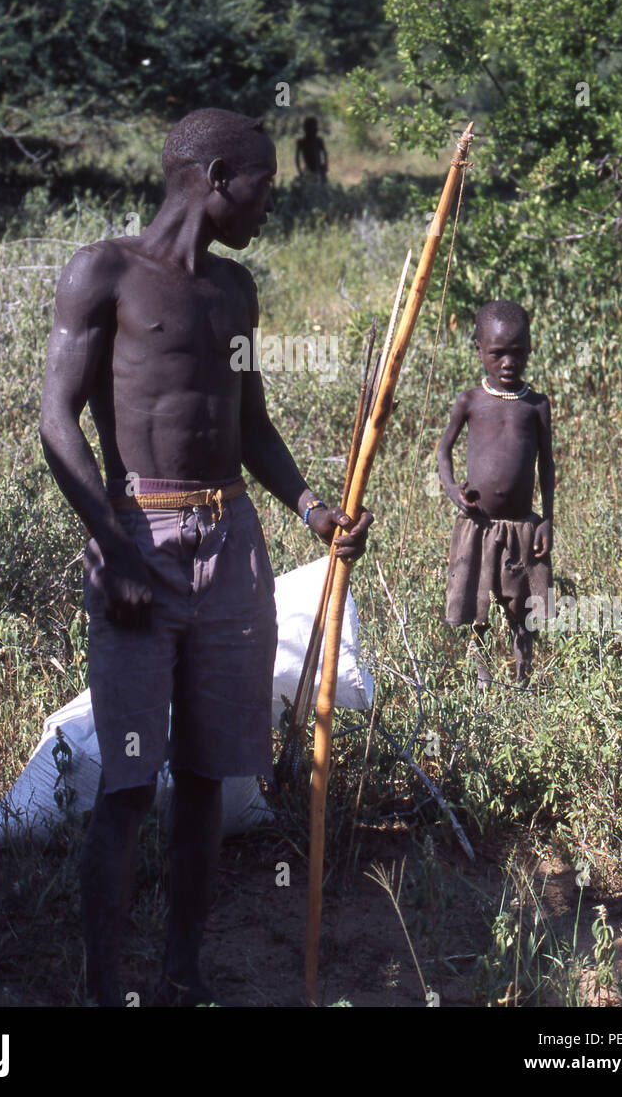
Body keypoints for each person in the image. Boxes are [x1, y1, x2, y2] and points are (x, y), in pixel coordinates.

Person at [38, 108, 372, 1006]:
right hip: (138, 536)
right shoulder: (103, 272)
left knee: (205, 778)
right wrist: (114, 550)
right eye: (264, 187)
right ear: (217, 177)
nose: (270, 206)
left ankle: (182, 979)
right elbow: (56, 422)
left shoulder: (234, 291)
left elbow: (250, 423)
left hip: (233, 546)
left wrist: (310, 509)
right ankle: (103, 990)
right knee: (128, 781)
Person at [437, 300, 554, 688]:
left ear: (530, 348)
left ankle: (523, 678)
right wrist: (452, 489)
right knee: (478, 604)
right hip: (479, 525)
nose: (508, 363)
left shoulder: (536, 405)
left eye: (517, 352)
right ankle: (482, 678)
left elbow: (546, 464)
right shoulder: (470, 401)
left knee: (522, 606)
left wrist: (548, 519)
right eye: (497, 353)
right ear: (478, 349)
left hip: (522, 527)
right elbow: (443, 451)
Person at [295, 116, 328, 181]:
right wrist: (300, 172)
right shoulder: (301, 142)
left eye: (315, 127)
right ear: (306, 129)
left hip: (319, 170)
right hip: (309, 171)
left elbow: (325, 154)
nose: (315, 130)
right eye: (312, 128)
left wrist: (325, 166)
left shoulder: (319, 141)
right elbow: (297, 159)